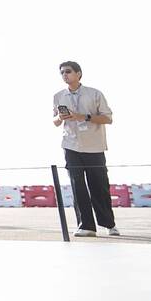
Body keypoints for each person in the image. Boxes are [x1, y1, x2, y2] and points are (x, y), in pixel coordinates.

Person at [53, 60, 118, 237]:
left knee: (99, 186)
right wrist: (60, 117)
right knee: (78, 186)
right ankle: (86, 226)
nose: (64, 75)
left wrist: (83, 117)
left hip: (94, 146)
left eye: (68, 72)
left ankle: (109, 224)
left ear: (78, 73)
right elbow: (55, 121)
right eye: (62, 73)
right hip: (71, 146)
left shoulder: (95, 94)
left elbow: (108, 118)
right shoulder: (58, 96)